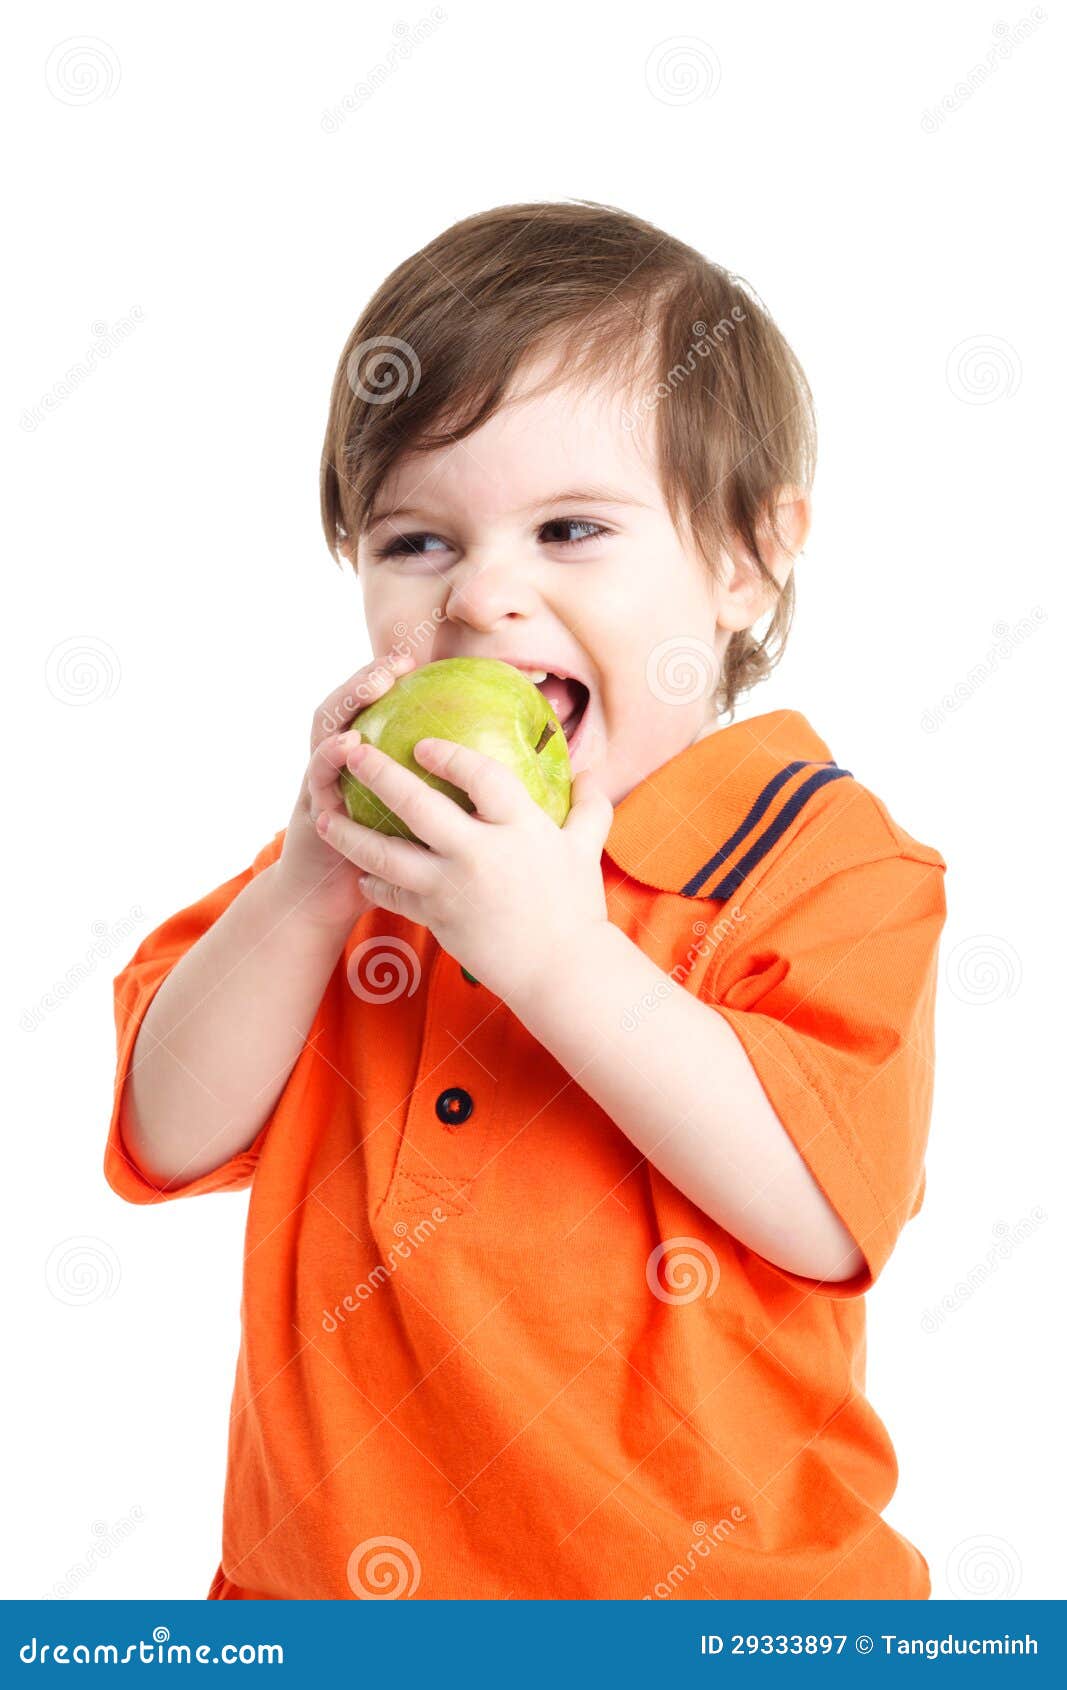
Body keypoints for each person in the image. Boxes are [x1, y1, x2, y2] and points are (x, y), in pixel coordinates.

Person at [105, 200, 947, 1600]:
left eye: (568, 530)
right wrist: (311, 884)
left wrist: (556, 954)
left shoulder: (825, 860)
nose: (485, 597)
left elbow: (820, 1210)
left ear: (744, 558)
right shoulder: (360, 865)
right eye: (418, 542)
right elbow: (163, 1124)